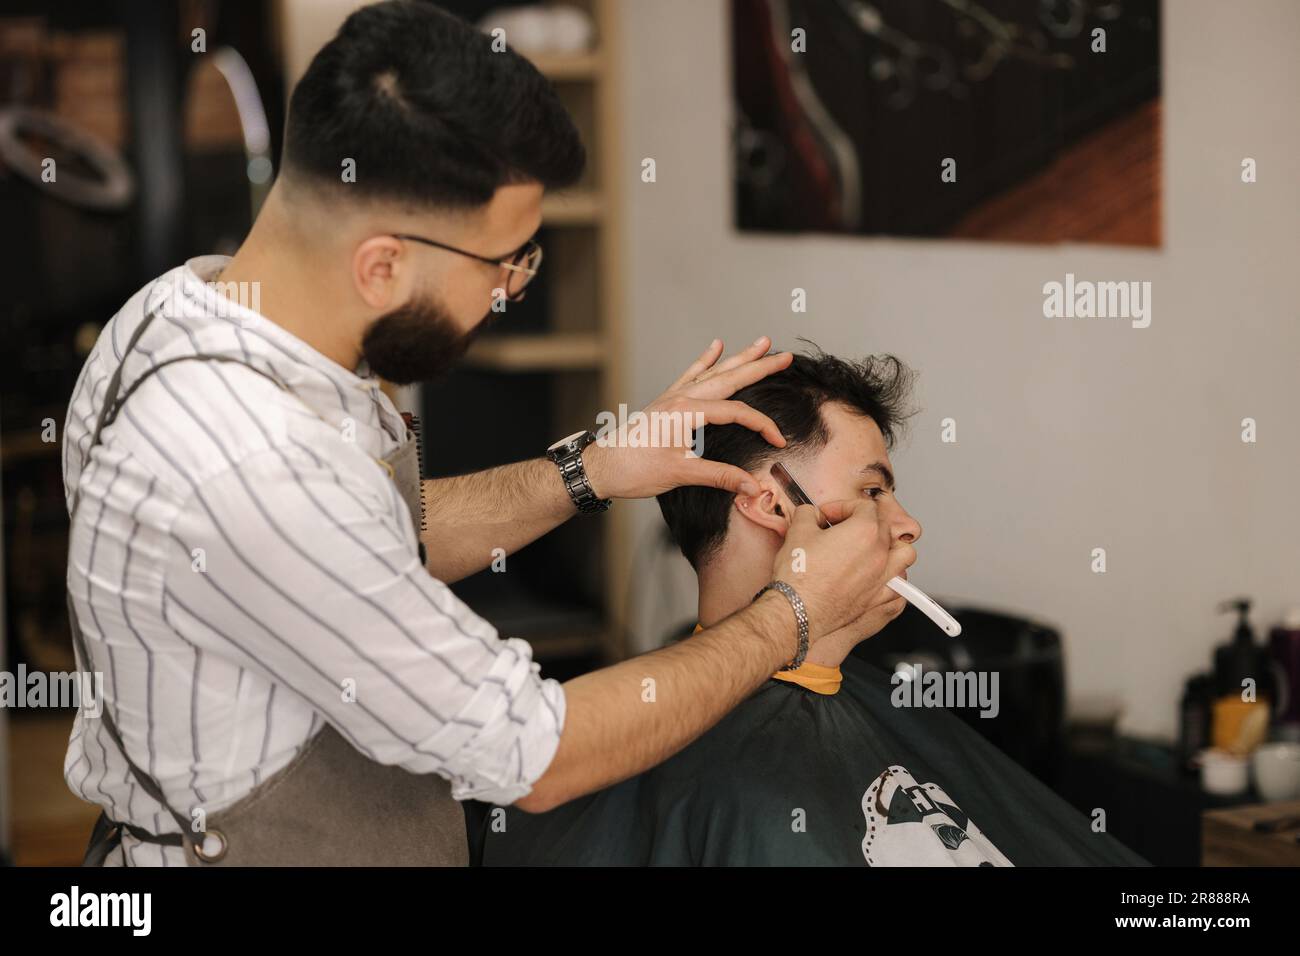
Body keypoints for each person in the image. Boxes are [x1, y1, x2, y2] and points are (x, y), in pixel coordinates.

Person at [61, 2, 912, 866]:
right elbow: (534, 753)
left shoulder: (177, 313)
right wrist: (794, 615)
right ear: (382, 262)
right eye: (502, 264)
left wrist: (591, 470)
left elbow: (367, 545)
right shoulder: (250, 461)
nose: (508, 293)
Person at [477, 348, 1149, 866]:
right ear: (775, 504)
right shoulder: (723, 789)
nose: (907, 524)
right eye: (873, 490)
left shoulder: (871, 707)